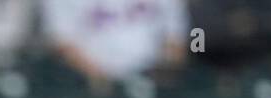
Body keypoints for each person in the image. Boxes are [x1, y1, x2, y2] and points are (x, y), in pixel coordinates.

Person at [41, 0, 189, 81]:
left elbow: (175, 38)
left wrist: (167, 74)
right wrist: (101, 80)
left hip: (153, 77)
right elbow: (63, 43)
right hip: (89, 82)